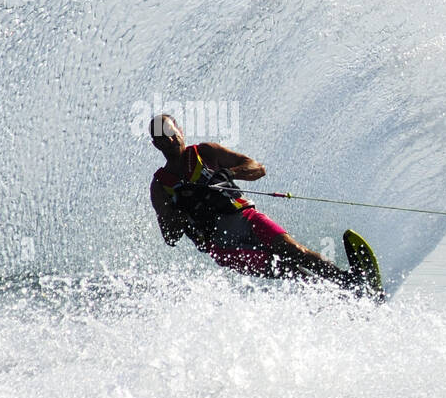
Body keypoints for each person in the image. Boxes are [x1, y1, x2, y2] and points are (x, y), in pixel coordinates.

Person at [148, 114, 358, 287]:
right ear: (156, 144)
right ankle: (341, 301)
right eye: (163, 138)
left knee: (295, 251)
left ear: (180, 132)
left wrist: (228, 173)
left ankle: (351, 282)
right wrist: (178, 212)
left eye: (172, 134)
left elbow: (257, 168)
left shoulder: (205, 152)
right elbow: (170, 237)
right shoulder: (160, 186)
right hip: (221, 245)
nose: (171, 140)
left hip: (245, 218)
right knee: (289, 270)